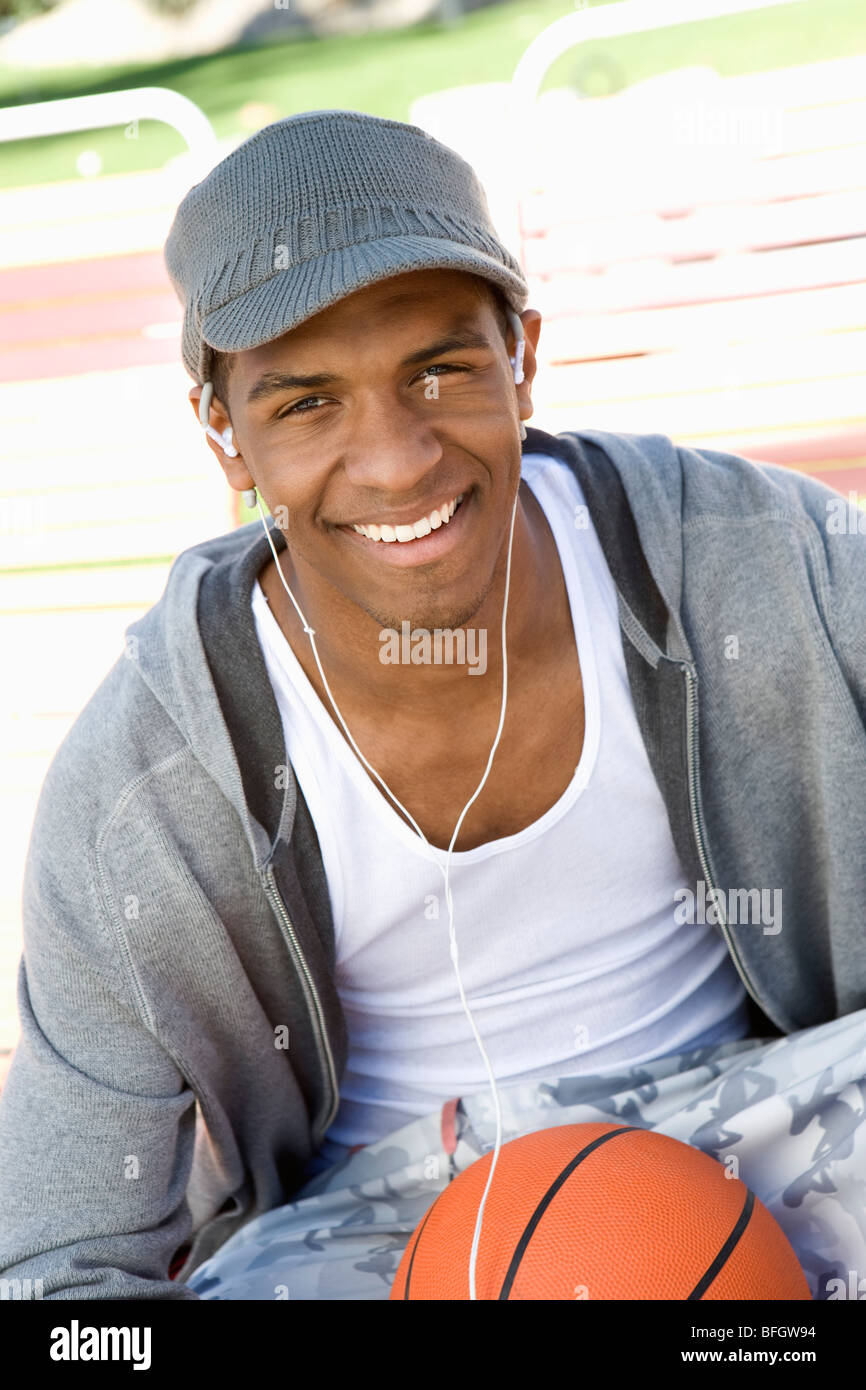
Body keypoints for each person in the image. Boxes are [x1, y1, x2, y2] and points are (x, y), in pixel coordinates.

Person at [0, 109, 865, 1302]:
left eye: (438, 370)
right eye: (306, 402)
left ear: (521, 356)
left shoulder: (759, 558)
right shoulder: (145, 786)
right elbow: (59, 1264)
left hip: (767, 1104)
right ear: (223, 433)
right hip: (385, 1207)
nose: (397, 460)